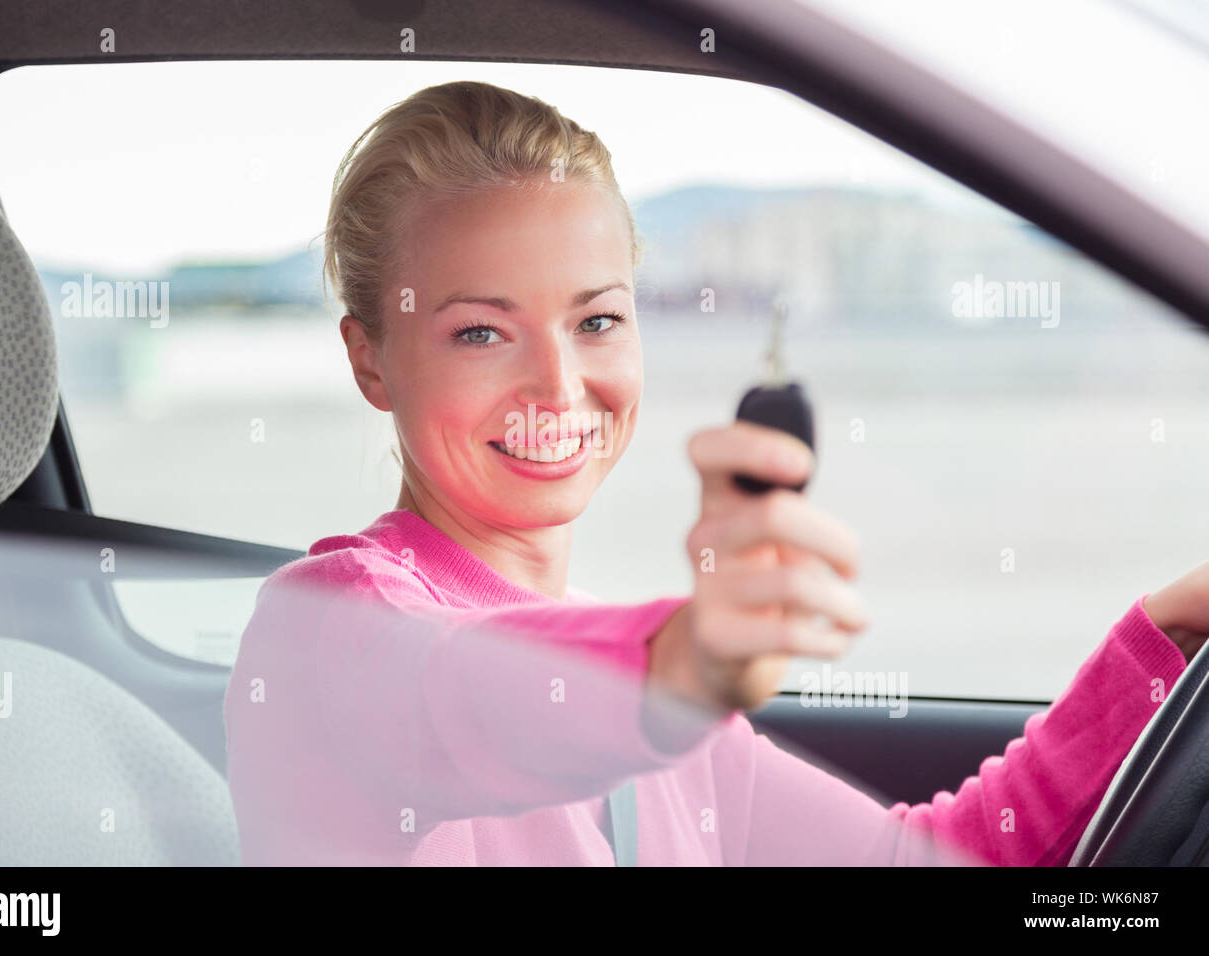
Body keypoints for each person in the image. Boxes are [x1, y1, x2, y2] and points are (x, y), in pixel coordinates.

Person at [223, 80, 1206, 866]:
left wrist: (1160, 637)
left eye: (596, 319)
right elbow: (464, 700)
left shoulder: (677, 737)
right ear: (369, 359)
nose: (558, 385)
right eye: (479, 331)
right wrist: (685, 662)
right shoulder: (328, 628)